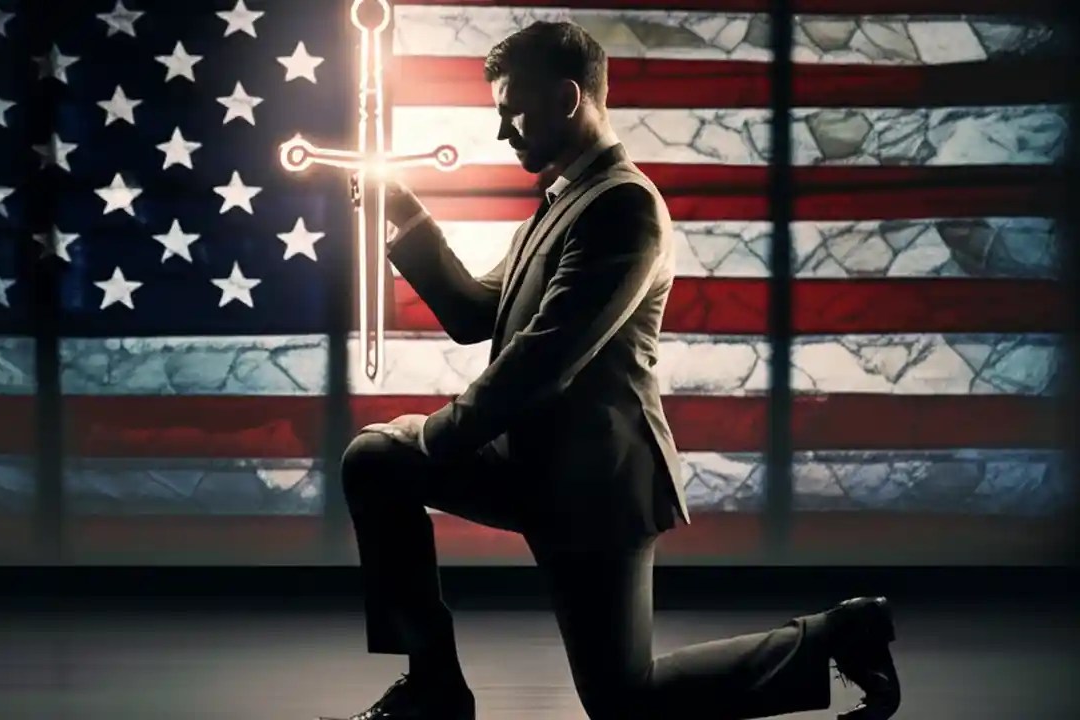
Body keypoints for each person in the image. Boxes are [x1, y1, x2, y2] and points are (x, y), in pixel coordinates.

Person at [327, 21, 900, 720]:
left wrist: (438, 437)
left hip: (593, 487)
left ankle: (839, 637)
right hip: (532, 467)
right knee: (374, 461)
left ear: (568, 98)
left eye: (512, 108)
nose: (503, 130)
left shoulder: (623, 210)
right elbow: (479, 313)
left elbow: (543, 360)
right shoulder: (565, 201)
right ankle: (433, 689)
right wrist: (407, 217)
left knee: (623, 700)